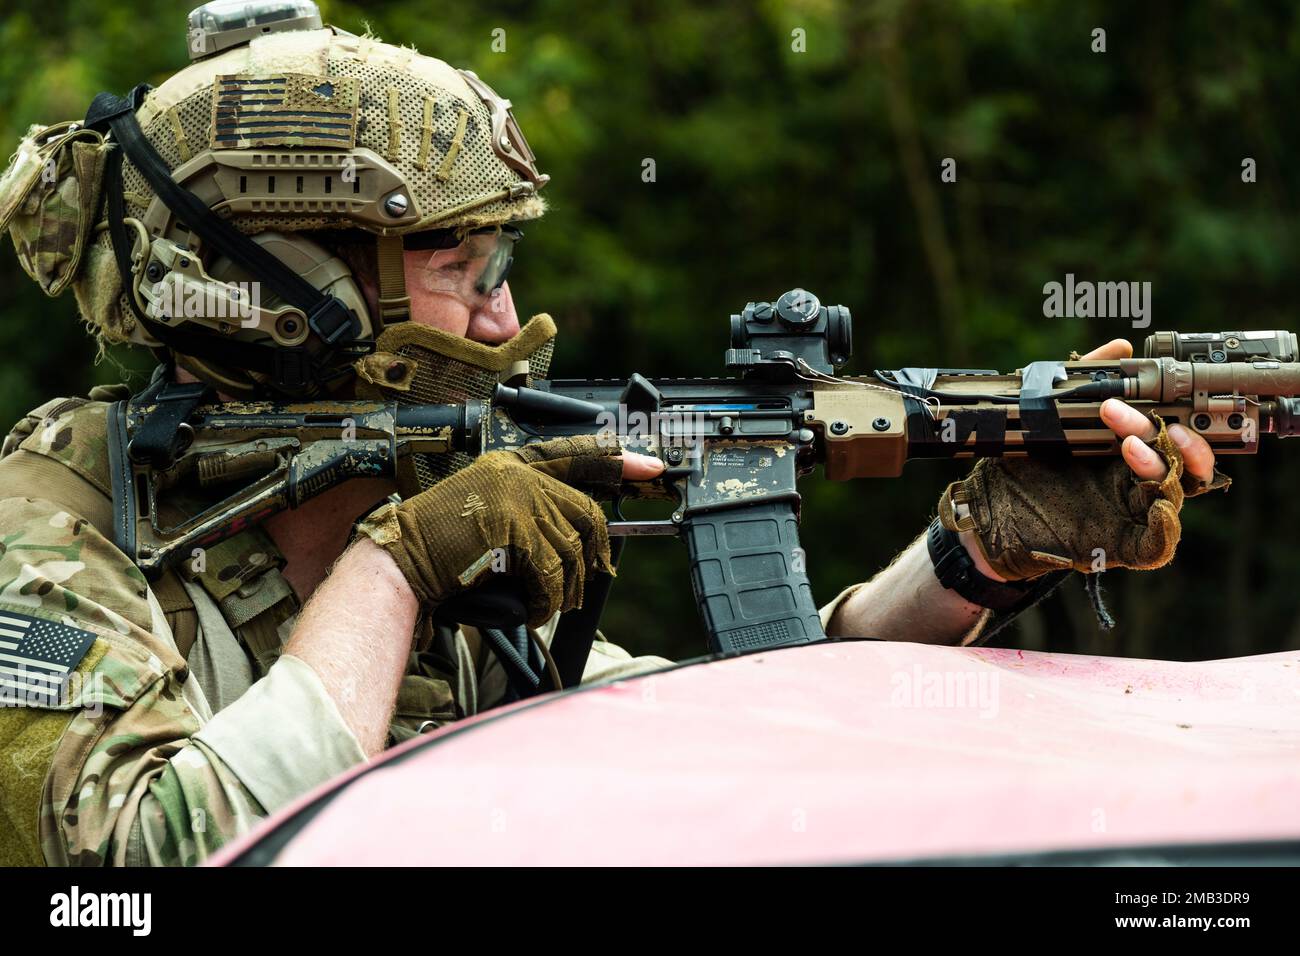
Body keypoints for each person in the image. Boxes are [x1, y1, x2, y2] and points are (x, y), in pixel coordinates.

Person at [0, 16, 1226, 866]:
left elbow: (730, 732)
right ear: (295, 286)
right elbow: (137, 868)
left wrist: (974, 558)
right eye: (456, 264)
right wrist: (393, 568)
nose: (503, 314)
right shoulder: (51, 527)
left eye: (502, 263)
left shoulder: (420, 500)